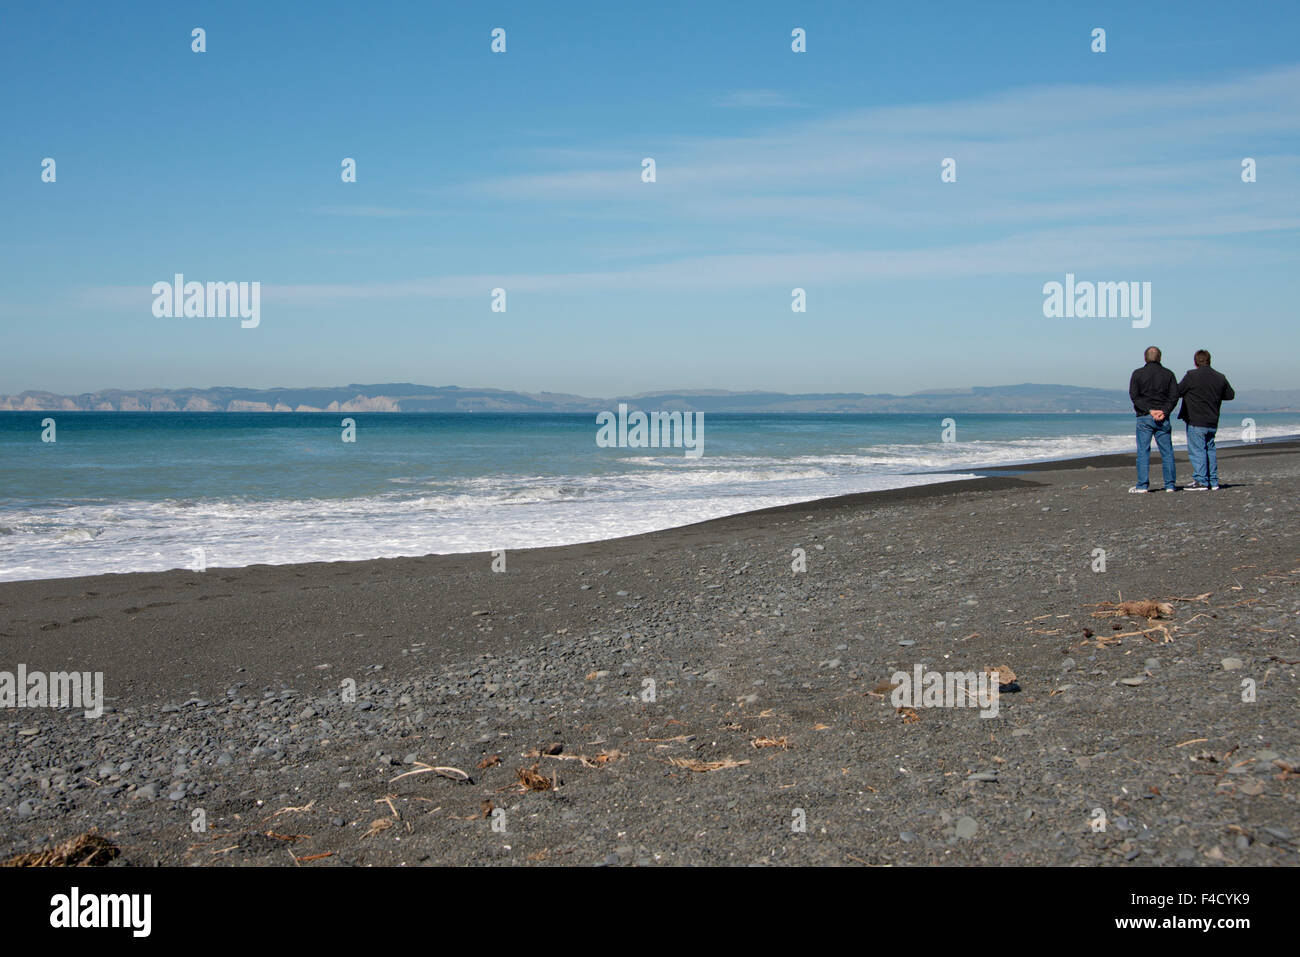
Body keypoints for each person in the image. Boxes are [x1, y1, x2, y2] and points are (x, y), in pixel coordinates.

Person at [1177, 350, 1235, 491]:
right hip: (1212, 419)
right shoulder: (1219, 377)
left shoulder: (1191, 376)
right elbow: (1230, 395)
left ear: (1196, 362)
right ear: (1209, 360)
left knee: (1197, 451)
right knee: (1210, 450)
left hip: (1196, 419)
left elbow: (1178, 391)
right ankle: (1213, 480)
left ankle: (1201, 480)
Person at [1128, 346, 1179, 493]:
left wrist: (1150, 410)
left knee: (1143, 452)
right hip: (1162, 417)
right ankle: (1170, 485)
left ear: (1145, 358)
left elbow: (1134, 396)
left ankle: (1143, 485)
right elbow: (1174, 396)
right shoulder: (1168, 374)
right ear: (1160, 357)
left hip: (1145, 417)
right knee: (1167, 452)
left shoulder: (1138, 374)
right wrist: (1164, 410)